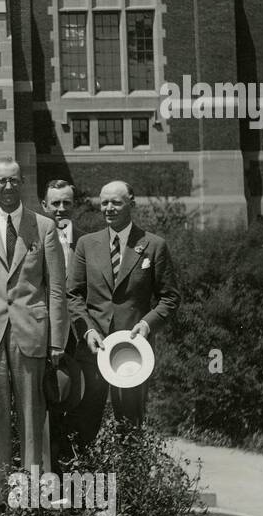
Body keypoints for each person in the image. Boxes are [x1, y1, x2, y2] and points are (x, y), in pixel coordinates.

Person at [0, 158, 67, 510]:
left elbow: (55, 288)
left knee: (32, 416)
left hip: (31, 331)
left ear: (22, 182)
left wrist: (57, 340)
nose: (8, 187)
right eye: (1, 181)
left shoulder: (43, 227)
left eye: (13, 181)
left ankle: (32, 496)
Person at [67, 180, 182, 440]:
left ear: (132, 202)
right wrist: (87, 331)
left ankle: (130, 479)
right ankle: (84, 477)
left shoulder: (154, 245)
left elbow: (170, 298)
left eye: (116, 202)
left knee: (130, 425)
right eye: (104, 202)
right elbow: (72, 294)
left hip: (133, 351)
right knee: (85, 422)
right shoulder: (87, 244)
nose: (108, 208)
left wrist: (147, 324)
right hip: (93, 349)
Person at [40, 178, 95, 467]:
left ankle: (78, 469)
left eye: (66, 203)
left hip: (79, 336)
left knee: (81, 406)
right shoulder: (33, 242)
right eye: (55, 203)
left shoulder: (88, 242)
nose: (60, 209)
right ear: (44, 206)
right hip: (45, 335)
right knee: (48, 405)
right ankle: (50, 473)